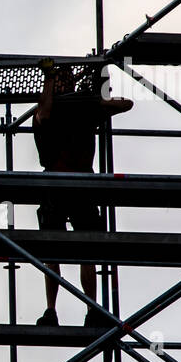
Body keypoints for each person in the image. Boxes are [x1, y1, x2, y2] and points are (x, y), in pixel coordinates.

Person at [32, 60, 133, 328]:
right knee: (52, 252)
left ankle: (91, 310)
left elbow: (125, 104)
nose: (63, 83)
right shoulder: (47, 110)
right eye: (58, 79)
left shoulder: (84, 110)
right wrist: (51, 81)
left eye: (66, 78)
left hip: (82, 186)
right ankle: (51, 310)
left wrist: (95, 99)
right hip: (54, 185)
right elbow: (44, 113)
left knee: (87, 249)